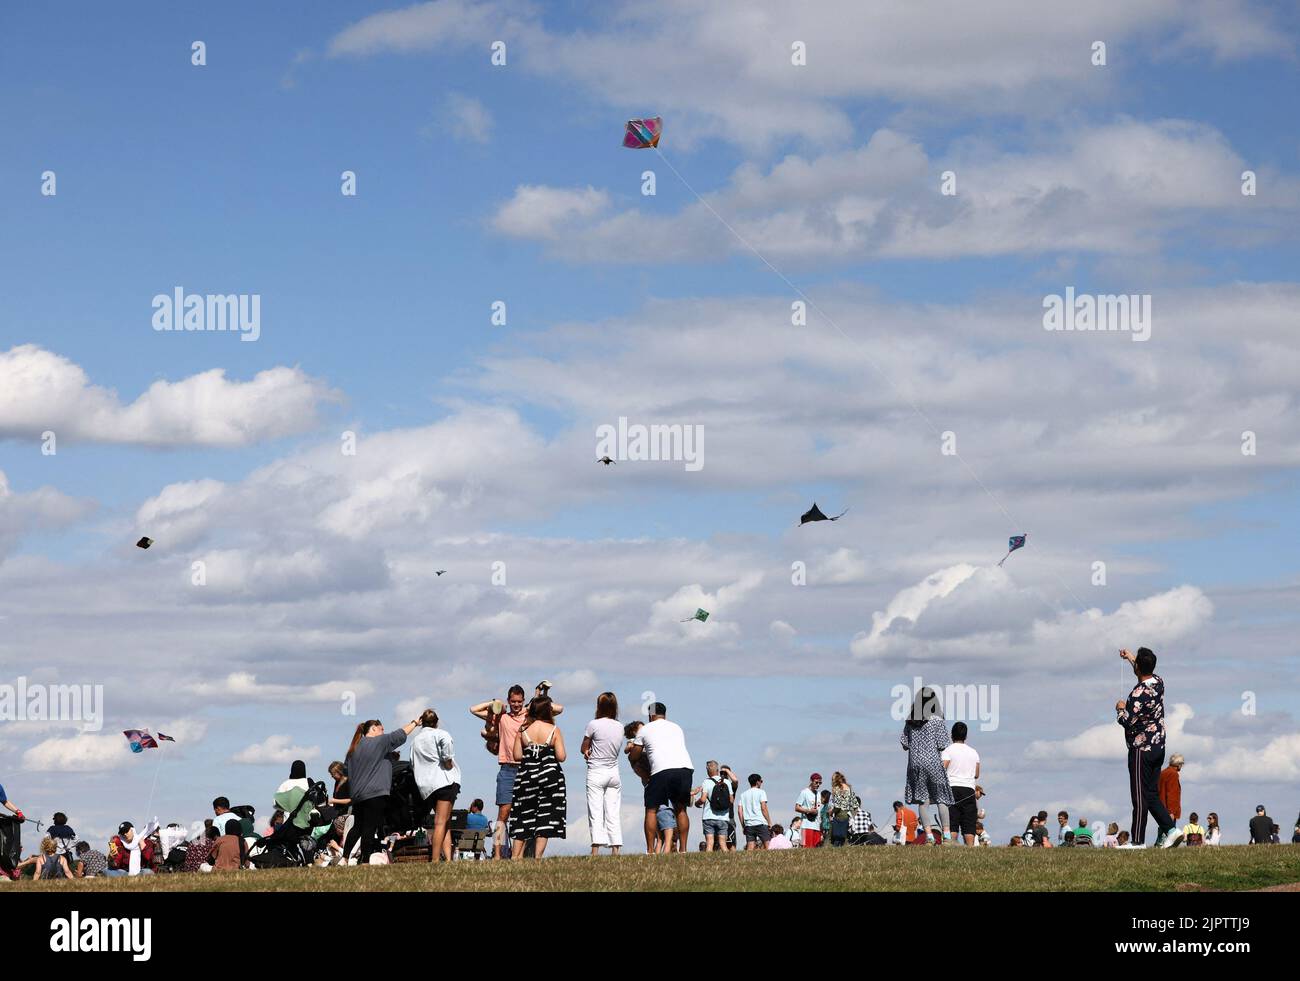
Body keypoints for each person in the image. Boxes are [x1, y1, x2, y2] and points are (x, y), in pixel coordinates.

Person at [471, 685, 563, 859]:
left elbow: (559, 709)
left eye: (519, 701)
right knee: (503, 815)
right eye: (513, 701)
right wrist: (493, 704)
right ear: (508, 701)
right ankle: (497, 854)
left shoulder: (530, 716)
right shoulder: (502, 717)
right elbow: (473, 709)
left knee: (525, 813)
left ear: (523, 701)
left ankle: (519, 854)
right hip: (507, 769)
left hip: (526, 768)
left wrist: (533, 703)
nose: (516, 705)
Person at [1115, 647, 1181, 847]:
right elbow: (1143, 670)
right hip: (1158, 746)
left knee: (1139, 796)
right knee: (1151, 793)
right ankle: (1171, 830)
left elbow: (1128, 721)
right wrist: (1131, 658)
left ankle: (1137, 841)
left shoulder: (1137, 694)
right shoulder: (1158, 682)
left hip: (1140, 749)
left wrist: (1119, 709)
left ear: (1138, 669)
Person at [341, 717, 420, 864]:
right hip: (375, 793)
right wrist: (415, 723)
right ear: (373, 729)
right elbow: (399, 735)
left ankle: (344, 858)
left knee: (357, 827)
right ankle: (364, 861)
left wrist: (387, 758)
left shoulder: (353, 748)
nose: (383, 732)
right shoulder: (379, 741)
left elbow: (347, 771)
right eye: (382, 729)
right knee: (369, 828)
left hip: (358, 795)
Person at [628, 702, 694, 854]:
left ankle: (650, 850)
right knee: (681, 810)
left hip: (661, 770)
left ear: (650, 715)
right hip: (684, 768)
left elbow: (636, 755)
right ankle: (683, 850)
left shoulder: (645, 729)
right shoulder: (676, 727)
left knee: (651, 810)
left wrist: (633, 757)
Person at [509, 696, 568, 859]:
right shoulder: (553, 730)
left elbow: (516, 755)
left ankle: (515, 856)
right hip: (550, 777)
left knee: (523, 814)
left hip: (527, 777)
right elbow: (561, 756)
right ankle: (538, 857)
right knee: (546, 815)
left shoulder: (523, 730)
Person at [901, 687, 954, 837]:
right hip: (933, 762)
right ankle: (947, 834)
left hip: (915, 763)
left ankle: (929, 835)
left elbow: (905, 744)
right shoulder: (937, 720)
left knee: (922, 800)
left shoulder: (910, 720)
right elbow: (943, 744)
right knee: (941, 798)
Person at [410, 709, 460, 862]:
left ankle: (448, 858)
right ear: (436, 722)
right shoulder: (442, 734)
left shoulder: (415, 741)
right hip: (444, 781)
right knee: (441, 822)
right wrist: (448, 762)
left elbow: (413, 763)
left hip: (426, 786)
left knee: (445, 822)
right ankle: (435, 859)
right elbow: (447, 758)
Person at [581, 691, 624, 856]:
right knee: (613, 811)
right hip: (614, 772)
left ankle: (595, 850)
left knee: (596, 811)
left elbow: (584, 747)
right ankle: (615, 849)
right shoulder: (619, 726)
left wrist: (587, 751)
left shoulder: (593, 724)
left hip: (596, 771)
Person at [941, 722, 980, 846]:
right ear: (966, 736)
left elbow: (943, 769)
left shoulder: (948, 750)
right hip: (969, 789)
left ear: (951, 735)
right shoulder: (974, 752)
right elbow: (977, 774)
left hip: (952, 788)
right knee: (968, 823)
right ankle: (969, 849)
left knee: (953, 822)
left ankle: (951, 848)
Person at [696, 761, 738, 852]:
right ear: (718, 770)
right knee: (723, 844)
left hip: (708, 817)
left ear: (707, 771)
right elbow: (731, 800)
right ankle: (730, 862)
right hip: (723, 817)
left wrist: (696, 803)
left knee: (710, 843)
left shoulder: (706, 782)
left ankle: (709, 863)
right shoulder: (726, 782)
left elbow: (703, 799)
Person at [736, 773, 771, 850]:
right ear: (757, 782)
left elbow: (739, 811)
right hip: (760, 822)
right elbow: (763, 808)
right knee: (767, 845)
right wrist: (769, 822)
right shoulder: (761, 792)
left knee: (750, 847)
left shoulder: (743, 794)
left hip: (749, 824)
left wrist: (743, 825)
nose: (761, 783)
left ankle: (748, 861)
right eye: (761, 781)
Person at [828, 772, 858, 847]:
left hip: (839, 816)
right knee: (843, 838)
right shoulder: (848, 788)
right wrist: (852, 816)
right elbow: (855, 805)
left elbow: (837, 806)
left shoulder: (838, 788)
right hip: (847, 816)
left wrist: (831, 812)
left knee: (835, 838)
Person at [795, 774, 823, 848]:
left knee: (816, 849)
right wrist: (809, 811)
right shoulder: (804, 792)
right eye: (816, 782)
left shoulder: (819, 794)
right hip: (806, 825)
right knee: (807, 848)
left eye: (820, 783)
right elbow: (797, 807)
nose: (818, 785)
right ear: (811, 781)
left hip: (817, 825)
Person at [1158, 754, 1184, 825]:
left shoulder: (1163, 772)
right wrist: (1171, 812)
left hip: (1161, 809)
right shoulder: (1173, 774)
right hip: (1168, 812)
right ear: (1178, 764)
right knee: (1170, 834)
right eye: (1182, 764)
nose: (1182, 766)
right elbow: (1172, 795)